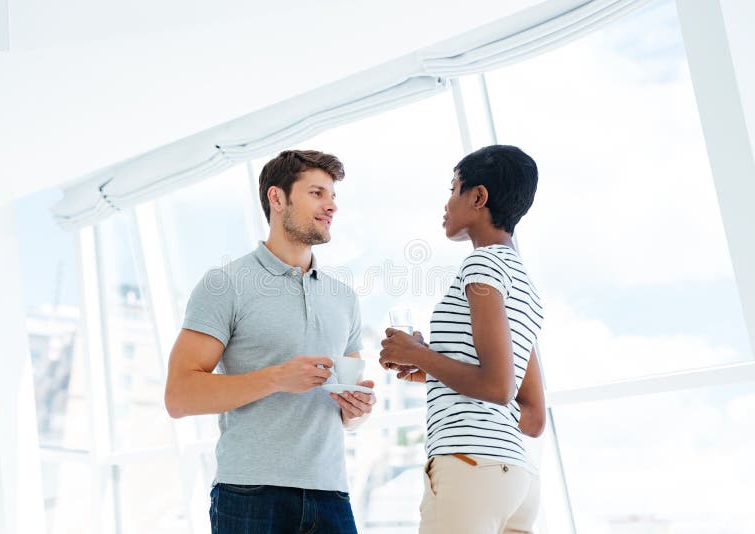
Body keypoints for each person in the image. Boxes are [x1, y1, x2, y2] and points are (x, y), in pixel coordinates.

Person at [165, 149, 376, 534]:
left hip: (331, 494)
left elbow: (351, 416)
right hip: (250, 495)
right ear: (277, 198)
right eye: (317, 193)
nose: (331, 206)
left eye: (333, 197)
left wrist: (356, 408)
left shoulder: (344, 298)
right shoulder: (225, 284)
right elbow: (179, 395)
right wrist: (277, 378)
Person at [379, 145, 544, 533]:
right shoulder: (526, 286)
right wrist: (432, 371)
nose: (447, 203)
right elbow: (532, 415)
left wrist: (420, 355)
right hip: (516, 478)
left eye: (453, 189)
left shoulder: (482, 264)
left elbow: (497, 387)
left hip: (470, 468)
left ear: (478, 196)